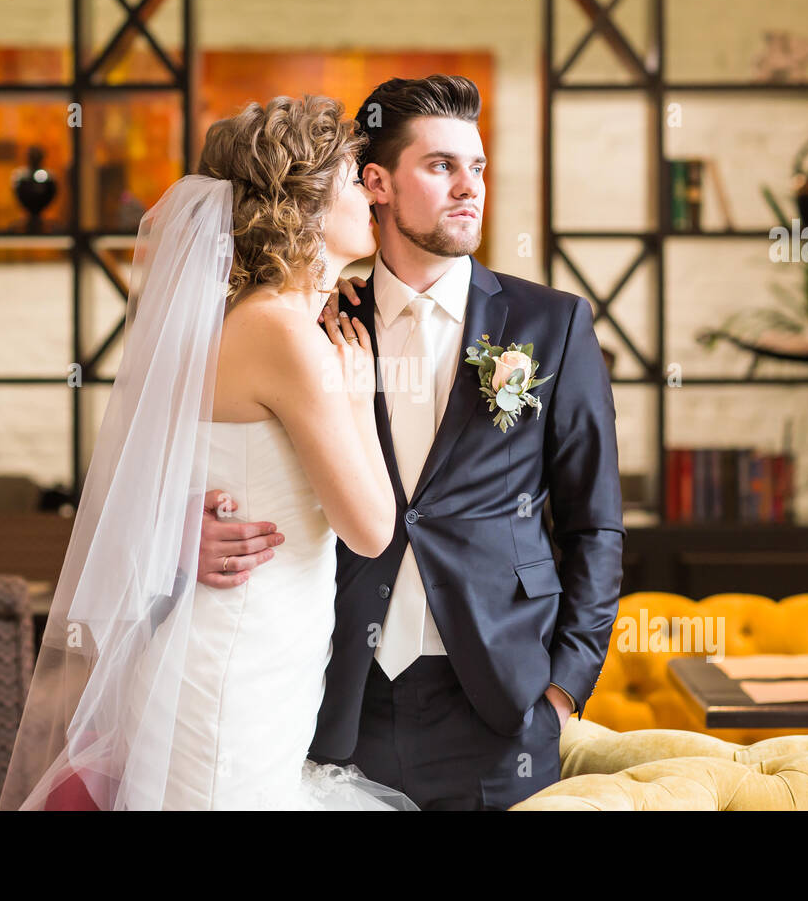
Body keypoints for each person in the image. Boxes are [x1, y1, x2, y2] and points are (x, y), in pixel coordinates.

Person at [197, 74, 626, 810]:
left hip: (498, 704)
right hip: (335, 698)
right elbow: (214, 450)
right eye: (441, 166)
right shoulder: (311, 319)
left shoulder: (552, 325)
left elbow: (595, 525)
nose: (470, 187)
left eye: (478, 167)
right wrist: (187, 521)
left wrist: (562, 691)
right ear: (376, 183)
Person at [0, 94, 416, 810]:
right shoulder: (286, 337)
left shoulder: (246, 321)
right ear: (304, 201)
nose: (370, 191)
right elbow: (372, 528)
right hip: (235, 668)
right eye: (353, 177)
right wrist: (355, 391)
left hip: (245, 655)